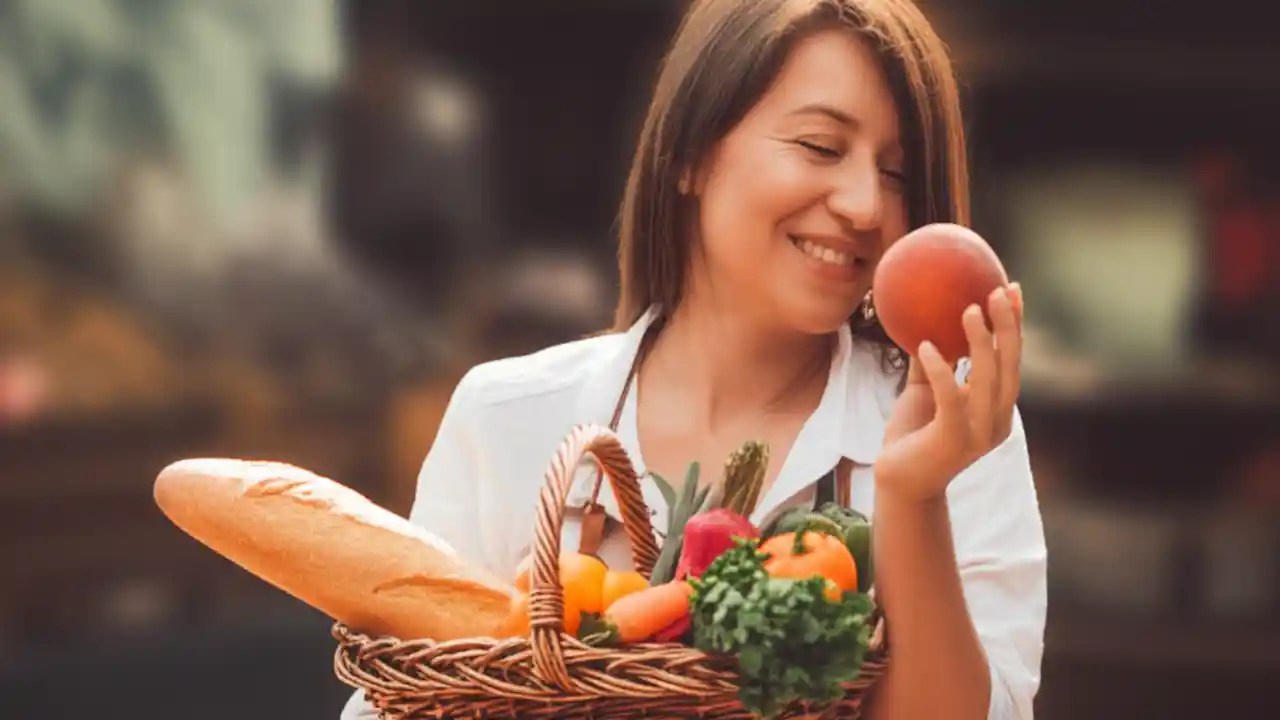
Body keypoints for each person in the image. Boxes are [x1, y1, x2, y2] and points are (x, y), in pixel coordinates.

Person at [342, 0, 1046, 718]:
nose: (867, 205)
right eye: (821, 147)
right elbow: (399, 699)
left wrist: (912, 497)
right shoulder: (508, 421)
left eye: (897, 175)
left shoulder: (950, 431)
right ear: (691, 156)